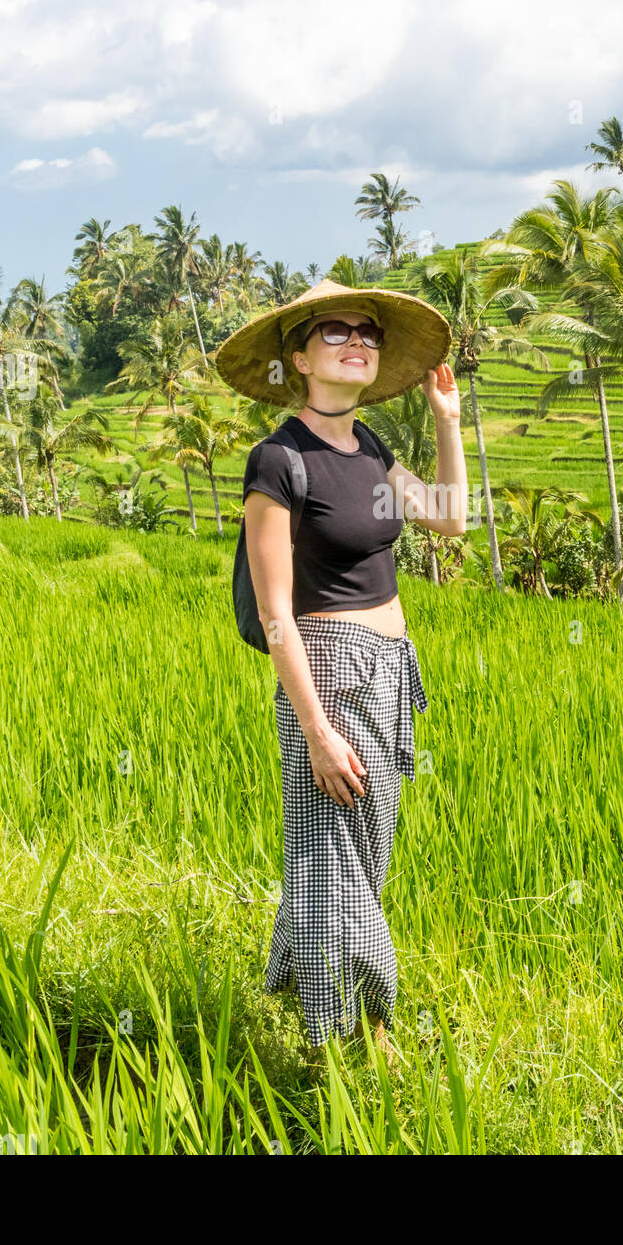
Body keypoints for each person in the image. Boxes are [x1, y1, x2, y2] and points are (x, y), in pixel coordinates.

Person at [214, 277, 468, 1065]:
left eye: (368, 332)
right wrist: (317, 728)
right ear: (298, 356)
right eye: (335, 331)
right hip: (326, 673)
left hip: (391, 672)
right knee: (334, 865)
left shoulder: (373, 453)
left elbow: (451, 518)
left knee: (362, 860)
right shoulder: (280, 460)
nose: (358, 340)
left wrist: (447, 422)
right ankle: (363, 1040)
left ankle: (316, 1011)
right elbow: (276, 611)